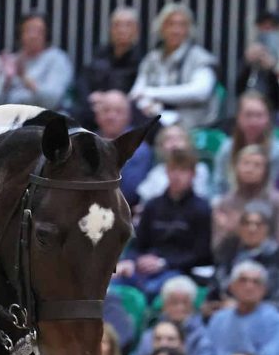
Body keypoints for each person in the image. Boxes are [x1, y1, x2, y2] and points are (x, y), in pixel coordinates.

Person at [118, 147, 212, 297]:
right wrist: (130, 260)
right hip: (145, 267)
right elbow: (138, 243)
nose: (176, 176)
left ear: (193, 175)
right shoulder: (153, 205)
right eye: (173, 170)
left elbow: (201, 254)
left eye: (182, 171)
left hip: (178, 271)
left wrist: (164, 263)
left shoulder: (202, 209)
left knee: (152, 290)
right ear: (166, 172)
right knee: (113, 286)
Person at [130, 3, 219, 129]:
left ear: (189, 29)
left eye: (181, 25)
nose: (175, 30)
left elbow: (200, 92)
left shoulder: (201, 58)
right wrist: (146, 104)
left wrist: (152, 93)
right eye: (170, 24)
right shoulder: (151, 59)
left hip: (190, 123)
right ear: (161, 28)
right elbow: (136, 93)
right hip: (153, 120)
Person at [207, 260, 279, 355]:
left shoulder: (274, 321)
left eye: (256, 282)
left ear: (264, 290)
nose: (249, 287)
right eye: (243, 280)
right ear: (231, 286)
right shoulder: (218, 319)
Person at [0, 12, 72, 110]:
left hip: (48, 120)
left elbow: (52, 101)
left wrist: (24, 78)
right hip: (12, 120)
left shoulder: (57, 59)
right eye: (29, 30)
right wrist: (7, 81)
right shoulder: (13, 60)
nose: (33, 36)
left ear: (46, 34)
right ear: (20, 34)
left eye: (38, 31)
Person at [73, 7, 143, 126]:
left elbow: (135, 92)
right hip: (93, 108)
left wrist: (107, 99)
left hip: (122, 110)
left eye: (128, 25)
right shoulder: (100, 53)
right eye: (117, 25)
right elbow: (82, 80)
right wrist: (89, 98)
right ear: (111, 29)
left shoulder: (142, 59)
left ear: (136, 30)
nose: (122, 30)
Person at [132, 274, 214, 355]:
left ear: (192, 305)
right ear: (164, 305)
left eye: (185, 302)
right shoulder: (149, 335)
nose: (180, 307)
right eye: (174, 302)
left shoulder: (201, 335)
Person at [212, 91, 279, 197]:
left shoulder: (276, 151)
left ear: (267, 119)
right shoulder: (227, 149)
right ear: (238, 117)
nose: (253, 121)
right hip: (231, 206)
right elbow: (218, 187)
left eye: (259, 115)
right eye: (248, 115)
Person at [91, 91, 152, 206]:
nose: (111, 116)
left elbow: (130, 192)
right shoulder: (83, 143)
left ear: (128, 116)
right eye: (106, 110)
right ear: (97, 115)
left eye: (118, 111)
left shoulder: (139, 149)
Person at [210, 203, 279, 303]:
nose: (252, 229)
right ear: (240, 228)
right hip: (226, 306)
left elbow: (272, 290)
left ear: (267, 229)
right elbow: (217, 283)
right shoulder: (228, 252)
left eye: (258, 224)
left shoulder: (275, 256)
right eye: (247, 223)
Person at [211, 146, 279, 246]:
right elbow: (216, 248)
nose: (250, 169)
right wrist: (226, 231)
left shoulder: (275, 201)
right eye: (245, 163)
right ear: (236, 168)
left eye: (257, 165)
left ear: (266, 172)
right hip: (233, 257)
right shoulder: (224, 203)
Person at [133, 123, 212, 205]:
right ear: (161, 147)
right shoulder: (156, 173)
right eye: (168, 139)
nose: (174, 143)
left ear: (188, 143)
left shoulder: (200, 169)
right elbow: (145, 203)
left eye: (179, 138)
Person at [235, 10, 279, 112]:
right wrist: (247, 64)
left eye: (273, 26)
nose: (267, 30)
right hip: (254, 108)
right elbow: (238, 90)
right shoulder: (252, 50)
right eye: (263, 26)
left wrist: (274, 67)